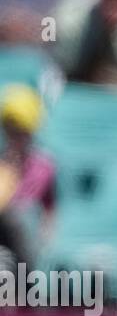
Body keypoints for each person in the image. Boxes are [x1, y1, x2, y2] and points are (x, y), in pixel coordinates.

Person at [0, 84, 57, 268]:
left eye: (20, 131)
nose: (14, 136)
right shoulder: (3, 161)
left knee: (18, 218)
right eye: (10, 130)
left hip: (26, 234)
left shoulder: (43, 166)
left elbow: (48, 208)